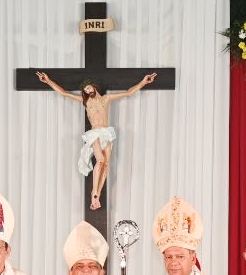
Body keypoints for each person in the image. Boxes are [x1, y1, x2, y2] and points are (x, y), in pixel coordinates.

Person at [34, 70, 158, 210]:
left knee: (105, 165)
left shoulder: (106, 99)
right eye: (85, 90)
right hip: (95, 133)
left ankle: (97, 196)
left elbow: (129, 93)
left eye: (88, 87)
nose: (87, 91)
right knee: (100, 160)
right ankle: (94, 190)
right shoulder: (86, 102)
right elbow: (64, 93)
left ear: (93, 87)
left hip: (106, 132)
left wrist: (143, 82)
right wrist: (48, 81)